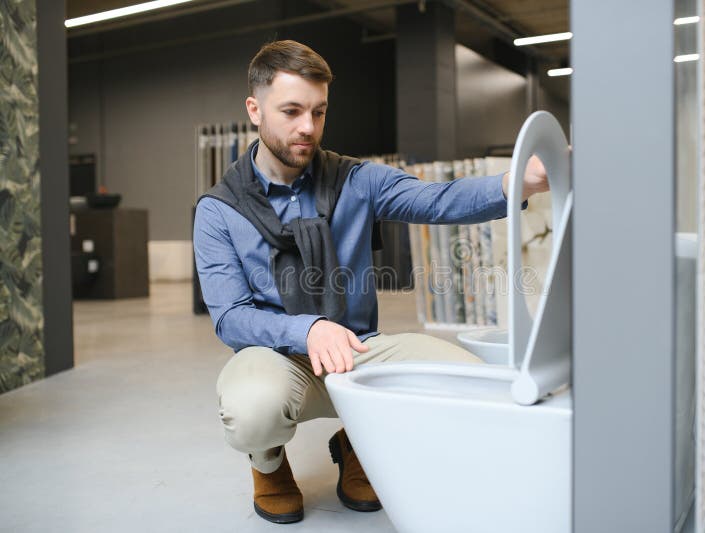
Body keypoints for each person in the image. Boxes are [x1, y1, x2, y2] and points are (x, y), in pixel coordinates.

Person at [193, 39, 549, 525]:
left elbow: (437, 199)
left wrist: (517, 183)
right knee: (251, 407)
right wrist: (308, 330)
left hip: (360, 349)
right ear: (254, 109)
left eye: (318, 112)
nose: (307, 128)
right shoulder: (218, 210)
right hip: (279, 360)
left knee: (474, 384)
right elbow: (231, 317)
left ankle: (358, 440)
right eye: (292, 111)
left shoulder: (355, 180)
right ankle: (269, 464)